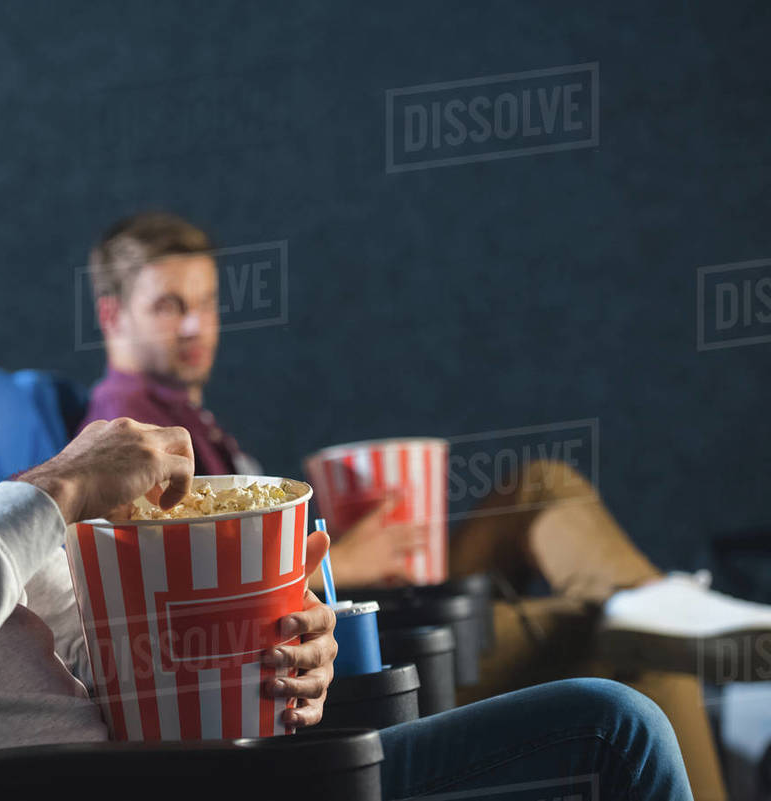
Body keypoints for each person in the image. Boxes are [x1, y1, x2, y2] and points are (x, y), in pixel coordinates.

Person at [0, 36, 691, 800]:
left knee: (607, 717)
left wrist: (277, 641)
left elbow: (92, 633)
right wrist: (56, 487)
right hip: (112, 786)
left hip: (200, 760)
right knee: (609, 727)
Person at [79, 210, 771, 799]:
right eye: (168, 306)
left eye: (206, 302)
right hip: (356, 648)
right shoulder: (126, 435)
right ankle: (652, 611)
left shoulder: (189, 419)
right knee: (627, 644)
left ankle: (658, 603)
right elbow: (188, 605)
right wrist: (346, 559)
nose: (196, 324)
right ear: (111, 315)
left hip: (359, 602)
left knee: (541, 485)